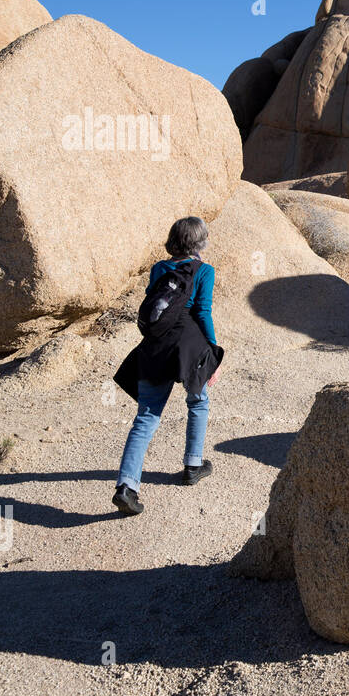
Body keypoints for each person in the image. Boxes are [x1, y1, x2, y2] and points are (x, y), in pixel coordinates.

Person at [111, 217, 224, 516]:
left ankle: (126, 486)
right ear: (200, 243)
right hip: (189, 345)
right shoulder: (205, 271)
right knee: (198, 401)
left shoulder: (159, 269)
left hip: (156, 346)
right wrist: (212, 352)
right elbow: (202, 312)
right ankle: (193, 464)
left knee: (146, 417)